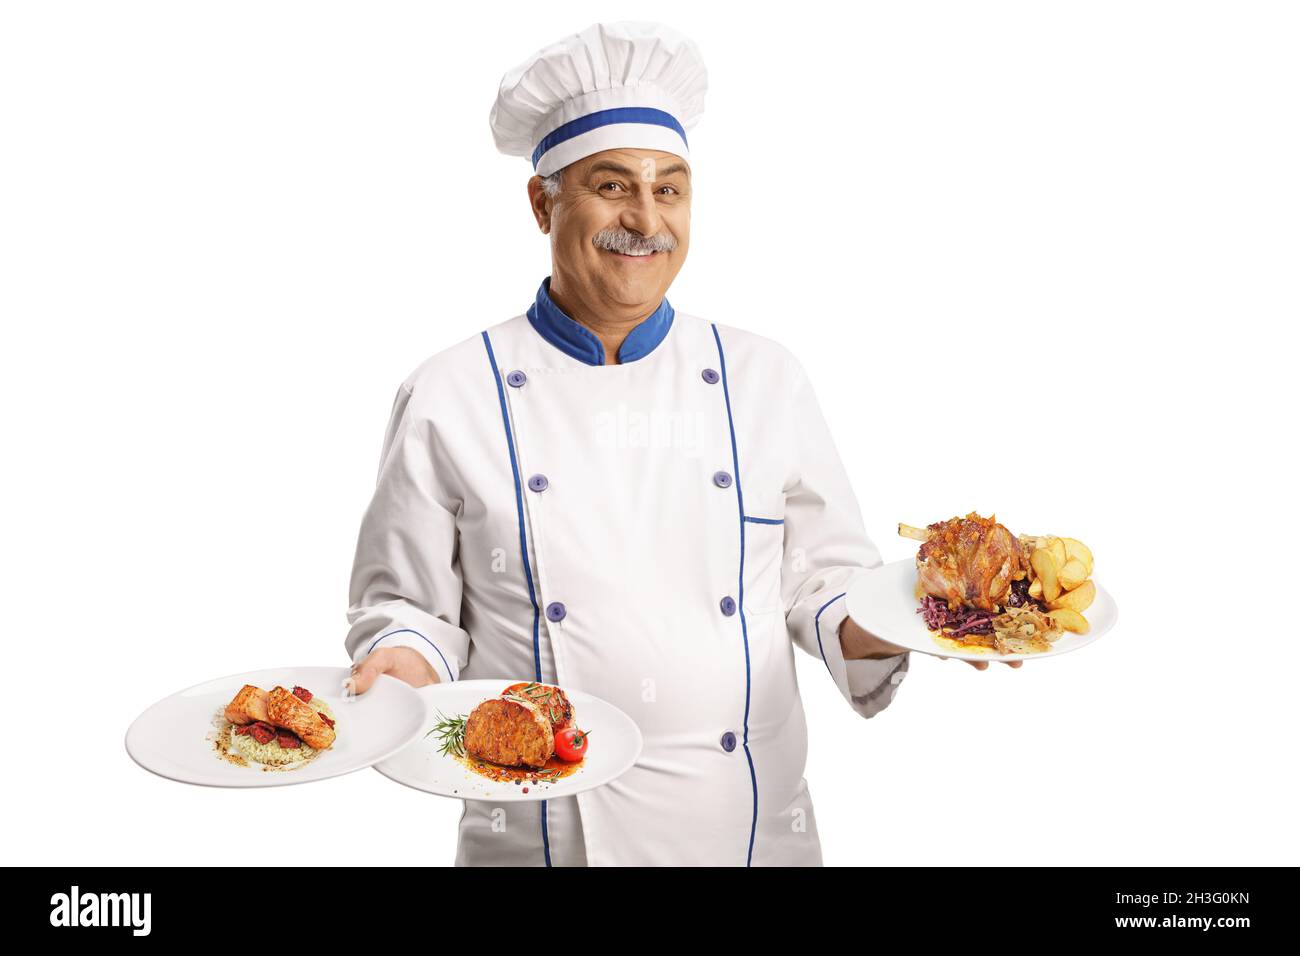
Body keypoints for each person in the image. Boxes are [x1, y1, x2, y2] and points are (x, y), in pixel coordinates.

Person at [345, 21, 1012, 867]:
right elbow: (406, 608)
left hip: (750, 835)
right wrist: (400, 666)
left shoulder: (766, 378)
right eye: (613, 185)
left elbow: (827, 586)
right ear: (543, 203)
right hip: (544, 837)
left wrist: (927, 624)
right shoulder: (451, 392)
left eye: (671, 189)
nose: (645, 219)